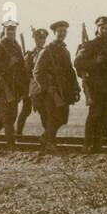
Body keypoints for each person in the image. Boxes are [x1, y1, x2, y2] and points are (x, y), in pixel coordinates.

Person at [74, 17, 107, 152]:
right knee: (95, 115)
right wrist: (95, 62)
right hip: (96, 87)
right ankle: (88, 144)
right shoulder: (90, 45)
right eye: (102, 28)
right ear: (97, 29)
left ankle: (98, 143)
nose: (105, 30)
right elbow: (78, 63)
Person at [32, 21, 78, 150]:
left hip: (63, 90)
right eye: (59, 31)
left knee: (63, 118)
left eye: (64, 31)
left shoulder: (65, 50)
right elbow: (37, 72)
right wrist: (48, 88)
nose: (62, 34)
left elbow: (70, 71)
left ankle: (46, 138)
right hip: (51, 91)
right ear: (54, 33)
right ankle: (49, 142)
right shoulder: (48, 50)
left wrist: (76, 88)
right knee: (54, 117)